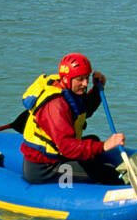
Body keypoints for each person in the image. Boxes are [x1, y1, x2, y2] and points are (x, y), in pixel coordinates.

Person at [20, 54, 124, 185]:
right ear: (65, 78)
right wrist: (104, 146)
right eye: (80, 79)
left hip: (59, 156)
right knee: (107, 173)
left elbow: (82, 111)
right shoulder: (55, 106)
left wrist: (97, 89)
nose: (85, 83)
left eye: (87, 78)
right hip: (45, 168)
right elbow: (67, 147)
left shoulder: (66, 88)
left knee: (94, 140)